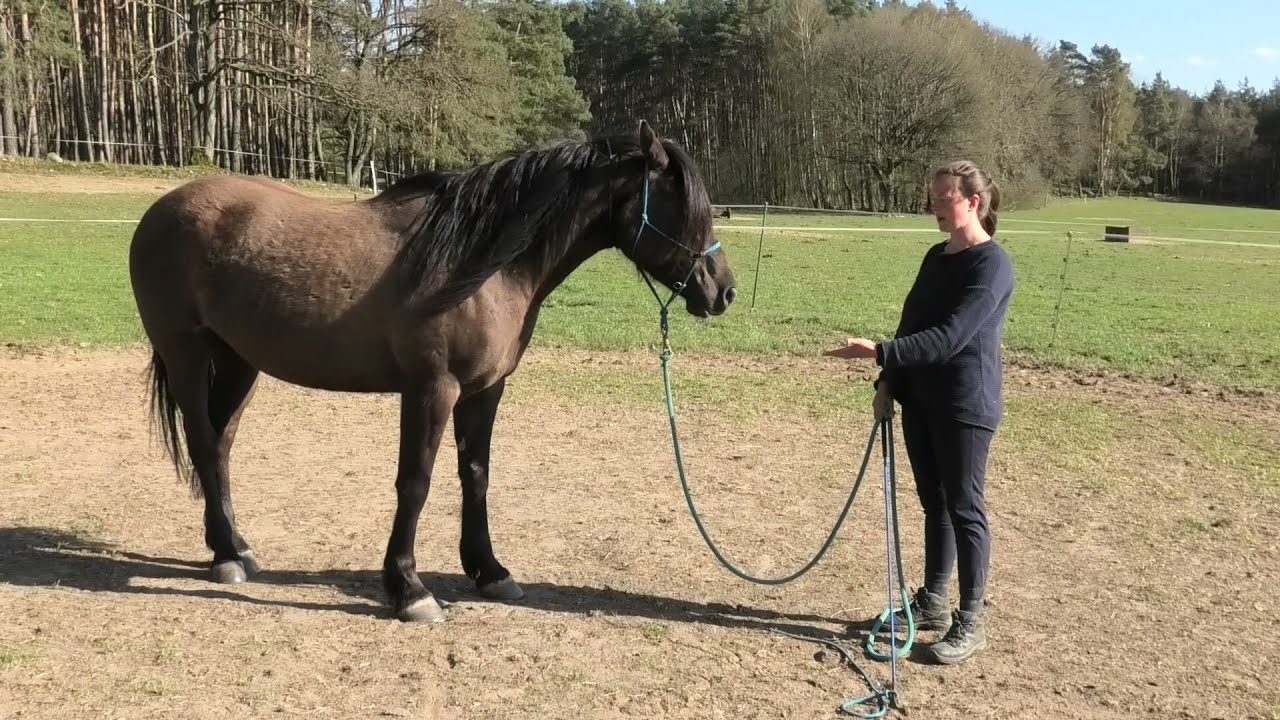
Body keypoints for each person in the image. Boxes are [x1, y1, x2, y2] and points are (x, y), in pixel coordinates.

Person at [824, 160, 1015, 665]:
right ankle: (932, 602)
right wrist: (887, 382)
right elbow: (913, 325)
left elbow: (952, 337)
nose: (933, 205)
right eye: (932, 196)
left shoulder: (992, 266)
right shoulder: (936, 256)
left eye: (943, 196)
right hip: (921, 402)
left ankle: (970, 619)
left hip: (965, 406)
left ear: (973, 201)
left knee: (965, 507)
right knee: (935, 504)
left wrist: (879, 353)